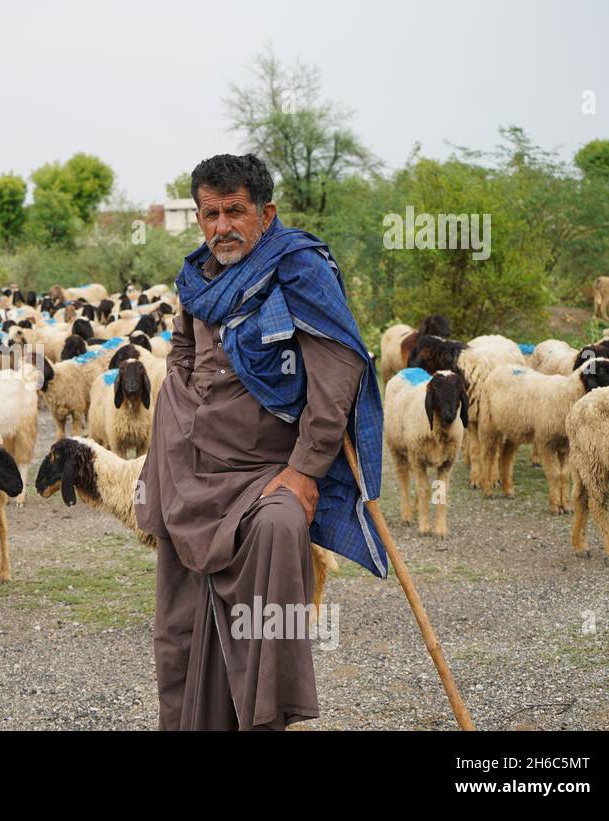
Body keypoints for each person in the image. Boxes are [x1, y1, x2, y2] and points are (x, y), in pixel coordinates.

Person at [136, 154, 386, 731]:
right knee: (178, 622)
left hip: (268, 469)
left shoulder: (298, 268)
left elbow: (339, 369)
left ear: (265, 213)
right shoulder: (197, 278)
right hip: (194, 469)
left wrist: (304, 471)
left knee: (279, 527)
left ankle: (267, 717)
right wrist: (173, 441)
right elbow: (182, 355)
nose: (222, 226)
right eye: (210, 213)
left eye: (235, 211)